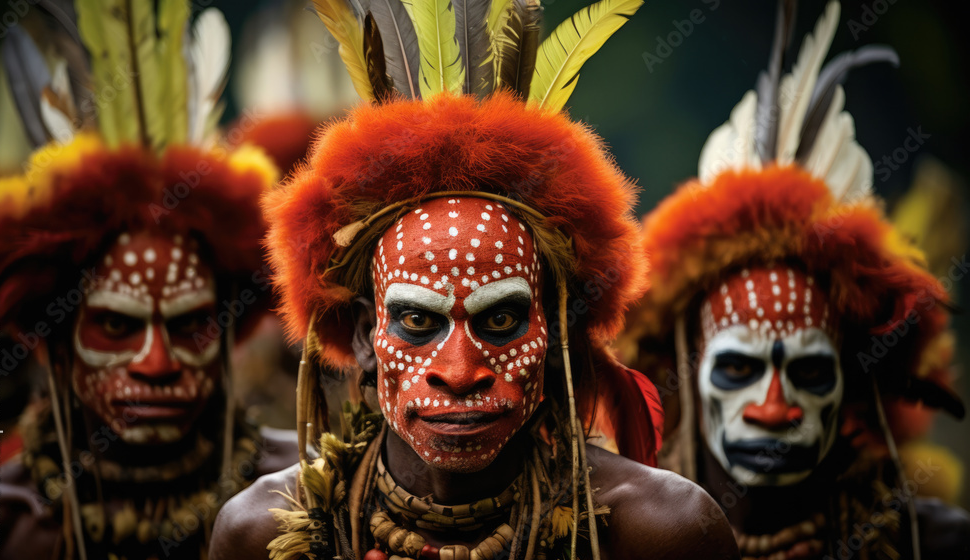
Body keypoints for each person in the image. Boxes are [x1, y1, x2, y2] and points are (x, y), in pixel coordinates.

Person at [211, 0, 739, 558]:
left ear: (555, 329)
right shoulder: (259, 534)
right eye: (417, 320)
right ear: (366, 337)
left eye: (502, 319)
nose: (461, 372)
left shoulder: (661, 532)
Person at [618, 2, 970, 558]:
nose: (773, 409)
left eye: (809, 372)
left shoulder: (934, 545)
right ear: (684, 368)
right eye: (737, 368)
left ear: (852, 384)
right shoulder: (608, 537)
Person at [0, 2, 295, 558]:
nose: (158, 366)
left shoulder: (305, 495)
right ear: (55, 338)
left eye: (190, 324)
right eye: (117, 325)